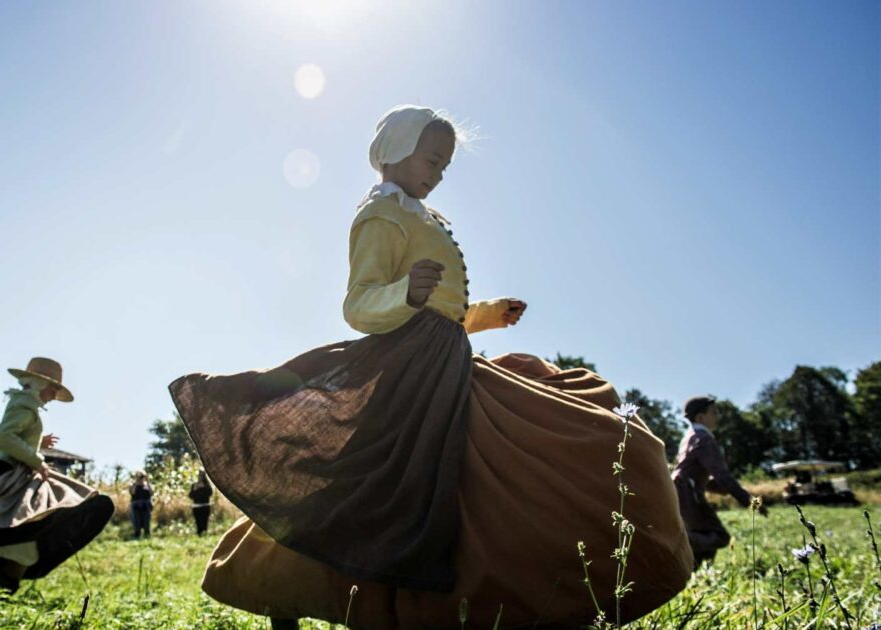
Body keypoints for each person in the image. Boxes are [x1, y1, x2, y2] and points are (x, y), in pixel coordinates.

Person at [169, 105, 693, 628]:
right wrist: (404, 292)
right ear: (396, 149)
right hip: (408, 373)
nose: (438, 173)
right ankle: (276, 584)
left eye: (445, 166)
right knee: (378, 489)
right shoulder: (380, 214)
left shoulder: (421, 217)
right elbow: (359, 305)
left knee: (498, 461)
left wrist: (485, 315)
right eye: (432, 159)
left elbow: (441, 311)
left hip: (445, 362)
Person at [0, 357, 114, 599]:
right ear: (38, 382)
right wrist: (37, 461)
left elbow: (15, 436)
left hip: (14, 475)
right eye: (53, 388)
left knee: (21, 534)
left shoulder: (25, 406)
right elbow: (4, 438)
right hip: (9, 477)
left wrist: (37, 442)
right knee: (14, 530)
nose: (54, 394)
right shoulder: (25, 406)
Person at [672, 395, 765, 565]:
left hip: (681, 491)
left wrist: (718, 487)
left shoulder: (689, 437)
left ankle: (696, 574)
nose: (718, 417)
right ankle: (674, 541)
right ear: (701, 417)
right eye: (714, 413)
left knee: (705, 536)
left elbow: (693, 472)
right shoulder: (704, 439)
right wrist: (749, 501)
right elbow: (721, 474)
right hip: (688, 492)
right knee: (719, 536)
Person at [188, 470, 214, 535]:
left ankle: (204, 533)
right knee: (198, 521)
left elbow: (210, 493)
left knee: (204, 521)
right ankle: (199, 533)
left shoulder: (207, 486)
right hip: (196, 506)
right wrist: (195, 489)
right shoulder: (194, 485)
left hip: (205, 505)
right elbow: (190, 496)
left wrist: (204, 488)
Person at [129, 470, 153, 539]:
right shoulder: (133, 485)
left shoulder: (147, 485)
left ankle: (147, 535)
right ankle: (137, 535)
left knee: (146, 521)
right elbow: (132, 492)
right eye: (139, 477)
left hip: (146, 506)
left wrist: (148, 481)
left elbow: (151, 492)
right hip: (136, 506)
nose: (141, 479)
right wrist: (136, 482)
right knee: (136, 521)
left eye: (142, 477)